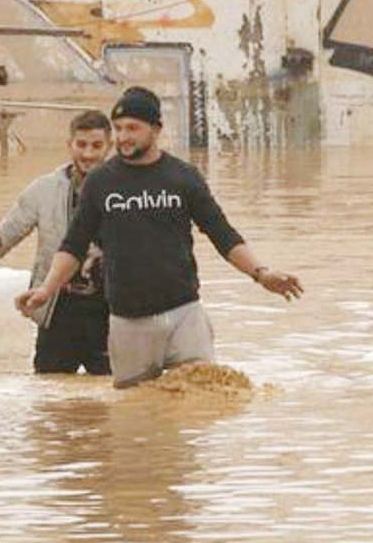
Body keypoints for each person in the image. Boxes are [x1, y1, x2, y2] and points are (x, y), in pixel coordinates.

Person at [16, 87, 303, 388]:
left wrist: (261, 273)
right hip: (128, 322)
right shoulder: (101, 182)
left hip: (184, 313)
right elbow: (73, 247)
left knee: (202, 399)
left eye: (132, 128)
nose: (123, 136)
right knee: (135, 413)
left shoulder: (183, 177)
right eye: (119, 128)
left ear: (156, 129)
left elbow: (223, 235)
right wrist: (46, 290)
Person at [0, 109, 112, 375]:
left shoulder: (124, 189)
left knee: (113, 392)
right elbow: (7, 233)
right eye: (81, 145)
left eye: (96, 146)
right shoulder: (44, 189)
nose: (88, 154)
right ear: (69, 146)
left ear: (109, 147)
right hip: (56, 306)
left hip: (109, 308)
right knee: (49, 393)